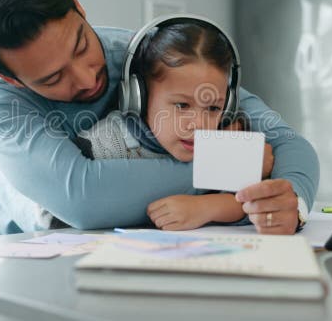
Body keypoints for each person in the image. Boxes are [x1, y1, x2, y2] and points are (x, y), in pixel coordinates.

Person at [0, 0, 319, 236]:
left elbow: (287, 143)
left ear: (77, 4)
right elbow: (83, 198)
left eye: (81, 46)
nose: (86, 77)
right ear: (11, 79)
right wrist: (233, 165)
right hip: (17, 247)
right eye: (53, 78)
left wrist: (293, 204)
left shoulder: (144, 56)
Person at [60, 16, 270, 231]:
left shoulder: (223, 140)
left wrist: (206, 207)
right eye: (182, 105)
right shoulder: (102, 146)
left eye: (213, 108)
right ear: (139, 98)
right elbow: (62, 209)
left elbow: (254, 201)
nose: (198, 124)